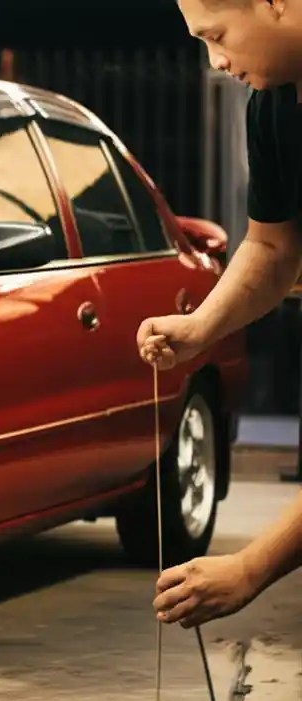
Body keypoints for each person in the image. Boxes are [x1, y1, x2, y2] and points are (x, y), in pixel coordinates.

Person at [140, 0, 302, 628]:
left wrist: (250, 568)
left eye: (217, 36)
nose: (216, 61)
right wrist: (199, 328)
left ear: (276, 4)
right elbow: (271, 247)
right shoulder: (273, 106)